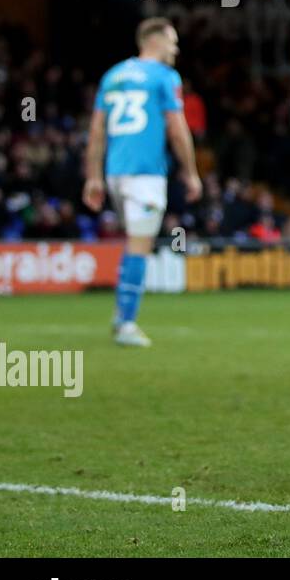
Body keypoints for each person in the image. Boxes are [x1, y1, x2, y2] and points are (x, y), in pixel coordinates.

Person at [82, 18, 201, 346]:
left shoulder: (114, 75)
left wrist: (93, 177)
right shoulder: (164, 77)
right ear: (155, 40)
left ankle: (122, 314)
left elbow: (96, 131)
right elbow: (177, 129)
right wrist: (190, 172)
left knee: (134, 240)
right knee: (140, 244)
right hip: (145, 174)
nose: (175, 48)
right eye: (172, 41)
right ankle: (125, 323)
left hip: (115, 173)